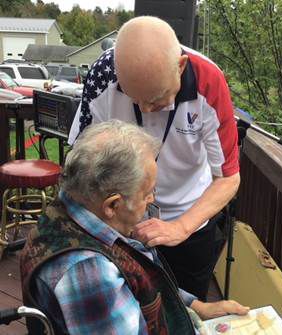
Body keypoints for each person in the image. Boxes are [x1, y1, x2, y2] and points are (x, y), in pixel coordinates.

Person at [20, 120, 250, 335]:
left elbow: (143, 287)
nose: (151, 199)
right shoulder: (91, 271)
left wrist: (198, 307)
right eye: (147, 193)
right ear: (113, 204)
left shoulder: (71, 210)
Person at [68, 16, 239, 300]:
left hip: (190, 222)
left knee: (185, 314)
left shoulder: (209, 80)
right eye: (136, 99)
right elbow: (81, 166)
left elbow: (229, 177)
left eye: (157, 99)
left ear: (180, 67)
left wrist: (180, 228)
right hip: (122, 224)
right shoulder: (102, 75)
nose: (146, 111)